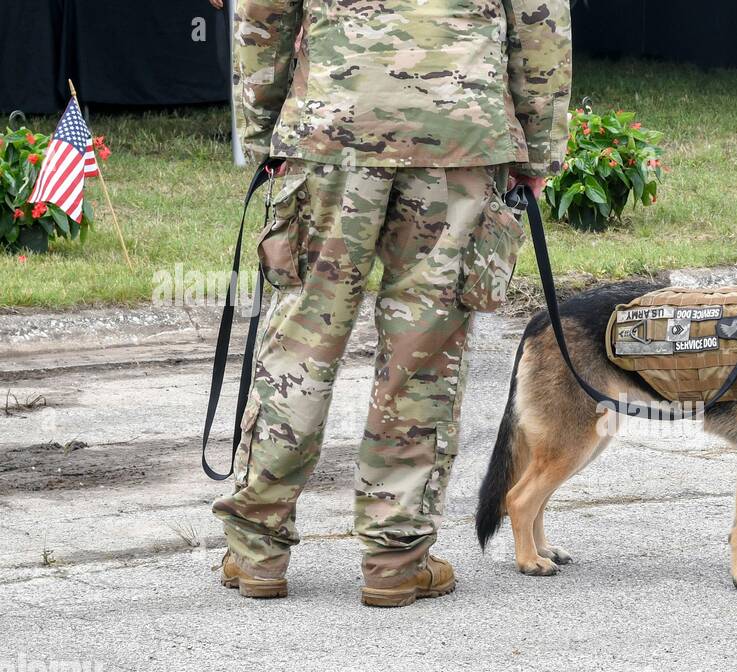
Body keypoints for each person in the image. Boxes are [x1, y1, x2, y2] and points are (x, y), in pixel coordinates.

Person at [213, 1, 572, 607]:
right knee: (423, 355)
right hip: (458, 137)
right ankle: (395, 559)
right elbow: (540, 24)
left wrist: (265, 130)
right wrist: (539, 153)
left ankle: (257, 552)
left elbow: (262, 13)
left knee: (302, 341)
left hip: (333, 127)